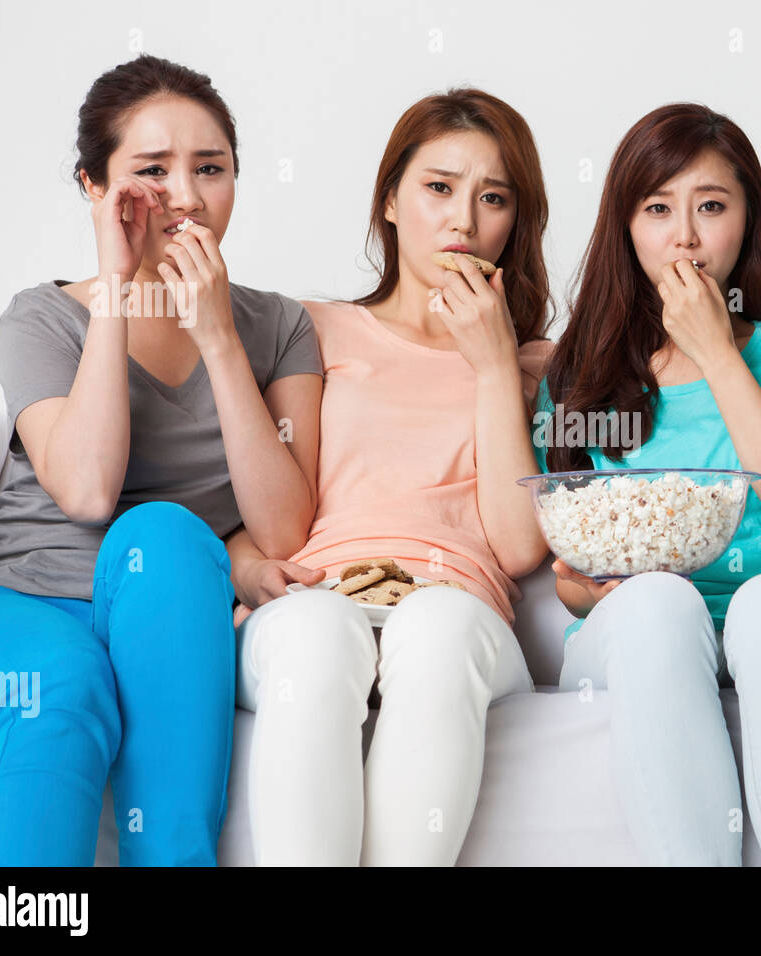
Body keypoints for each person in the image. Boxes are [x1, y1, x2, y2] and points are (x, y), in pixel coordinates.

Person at [0, 55, 323, 865]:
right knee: (63, 688)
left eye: (210, 168)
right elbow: (82, 488)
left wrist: (216, 335)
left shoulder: (279, 327)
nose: (185, 196)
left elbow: (284, 525)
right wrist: (116, 285)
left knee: (170, 537)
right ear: (94, 188)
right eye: (151, 171)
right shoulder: (41, 317)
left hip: (167, 603)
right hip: (14, 601)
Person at [536, 103, 761, 865]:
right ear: (626, 229)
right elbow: (573, 572)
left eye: (711, 207)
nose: (684, 236)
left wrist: (719, 355)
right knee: (659, 600)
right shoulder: (582, 380)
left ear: (747, 224)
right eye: (658, 209)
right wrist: (587, 591)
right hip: (640, 632)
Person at [225, 89, 554, 865]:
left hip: (460, 612)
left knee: (435, 624)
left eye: (493, 198)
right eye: (439, 188)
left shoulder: (540, 364)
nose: (464, 221)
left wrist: (494, 363)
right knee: (317, 628)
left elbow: (516, 548)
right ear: (392, 203)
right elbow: (276, 507)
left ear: (515, 221)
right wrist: (242, 563)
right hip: (320, 595)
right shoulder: (312, 328)